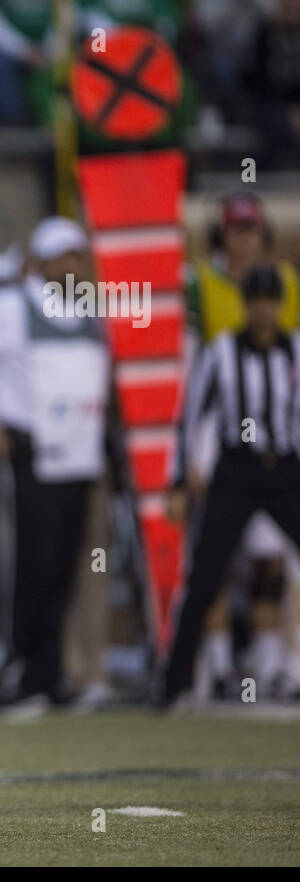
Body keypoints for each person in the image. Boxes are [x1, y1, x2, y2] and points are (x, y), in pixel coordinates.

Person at [0, 217, 122, 710]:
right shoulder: (11, 306)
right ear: (41, 262)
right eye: (61, 257)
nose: (71, 266)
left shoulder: (92, 315)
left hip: (79, 456)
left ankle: (51, 672)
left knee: (64, 566)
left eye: (77, 256)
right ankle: (20, 670)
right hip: (30, 451)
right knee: (28, 563)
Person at [163, 264, 300, 705]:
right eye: (255, 301)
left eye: (269, 301)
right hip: (237, 471)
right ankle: (173, 681)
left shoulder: (295, 351)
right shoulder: (220, 351)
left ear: (279, 305)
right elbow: (191, 417)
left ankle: (279, 669)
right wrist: (180, 480)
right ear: (245, 305)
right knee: (205, 573)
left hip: (285, 471)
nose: (262, 310)